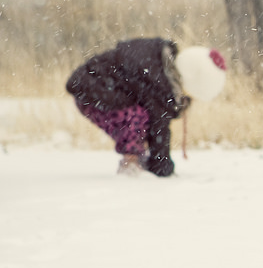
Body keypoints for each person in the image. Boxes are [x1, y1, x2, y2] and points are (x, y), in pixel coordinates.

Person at [65, 39, 226, 176]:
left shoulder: (162, 65)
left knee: (143, 113)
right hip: (91, 93)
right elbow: (159, 128)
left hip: (94, 88)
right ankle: (131, 161)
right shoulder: (159, 82)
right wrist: (162, 167)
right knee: (139, 115)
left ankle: (137, 155)